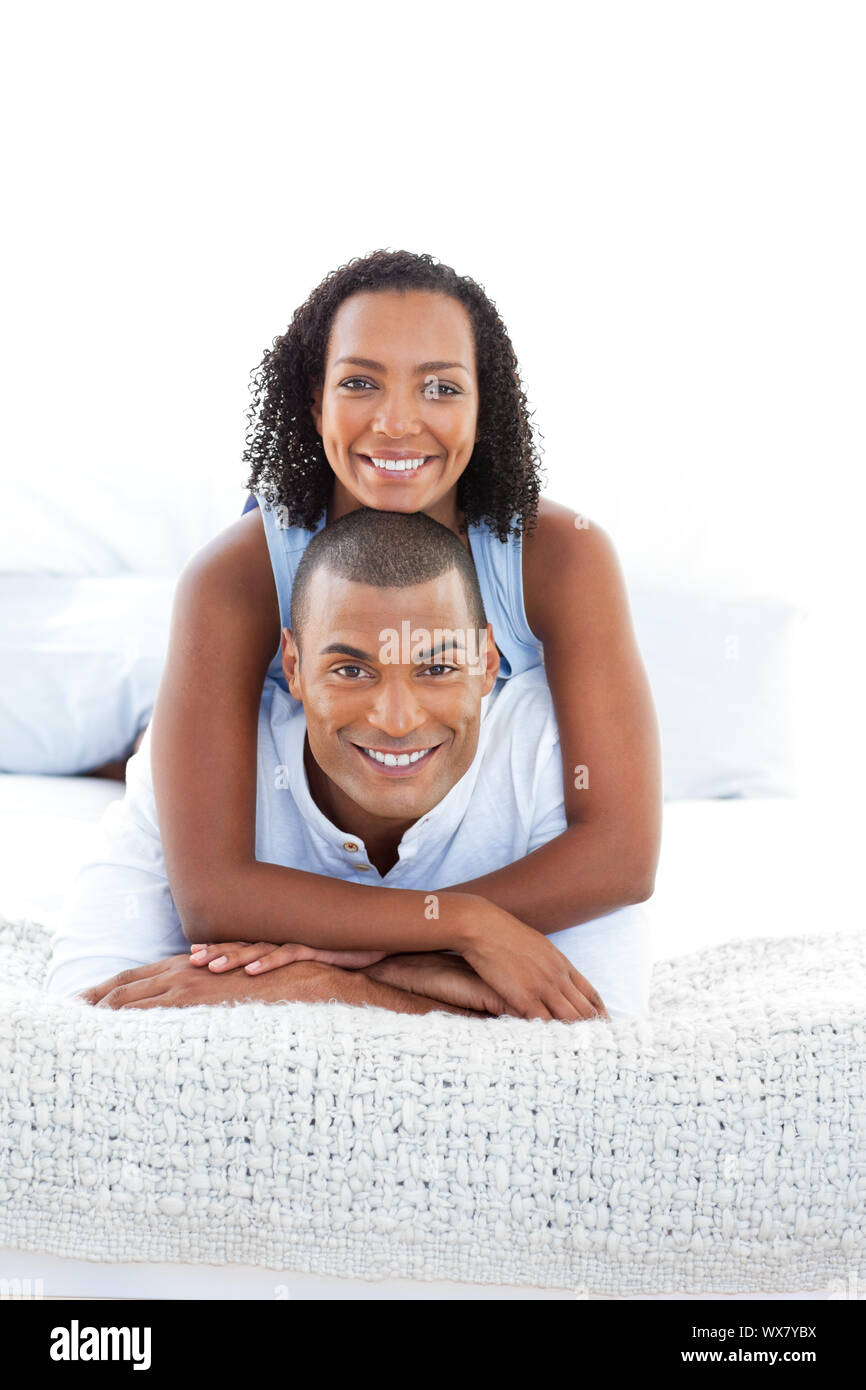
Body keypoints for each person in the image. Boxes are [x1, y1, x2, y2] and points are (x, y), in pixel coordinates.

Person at [147, 249, 663, 975]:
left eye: (441, 388)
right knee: (142, 758)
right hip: (298, 772)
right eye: (359, 382)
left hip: (435, 804)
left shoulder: (561, 558)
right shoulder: (233, 576)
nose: (396, 423)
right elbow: (212, 893)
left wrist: (366, 953)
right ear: (312, 399)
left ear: (487, 406)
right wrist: (467, 927)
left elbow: (622, 855)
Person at [45, 509, 653, 1022]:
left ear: (489, 662)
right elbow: (82, 1016)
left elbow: (601, 1031)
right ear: (293, 667)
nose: (396, 719)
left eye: (437, 668)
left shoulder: (546, 752)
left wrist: (329, 981)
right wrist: (455, 947)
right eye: (352, 670)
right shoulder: (197, 768)